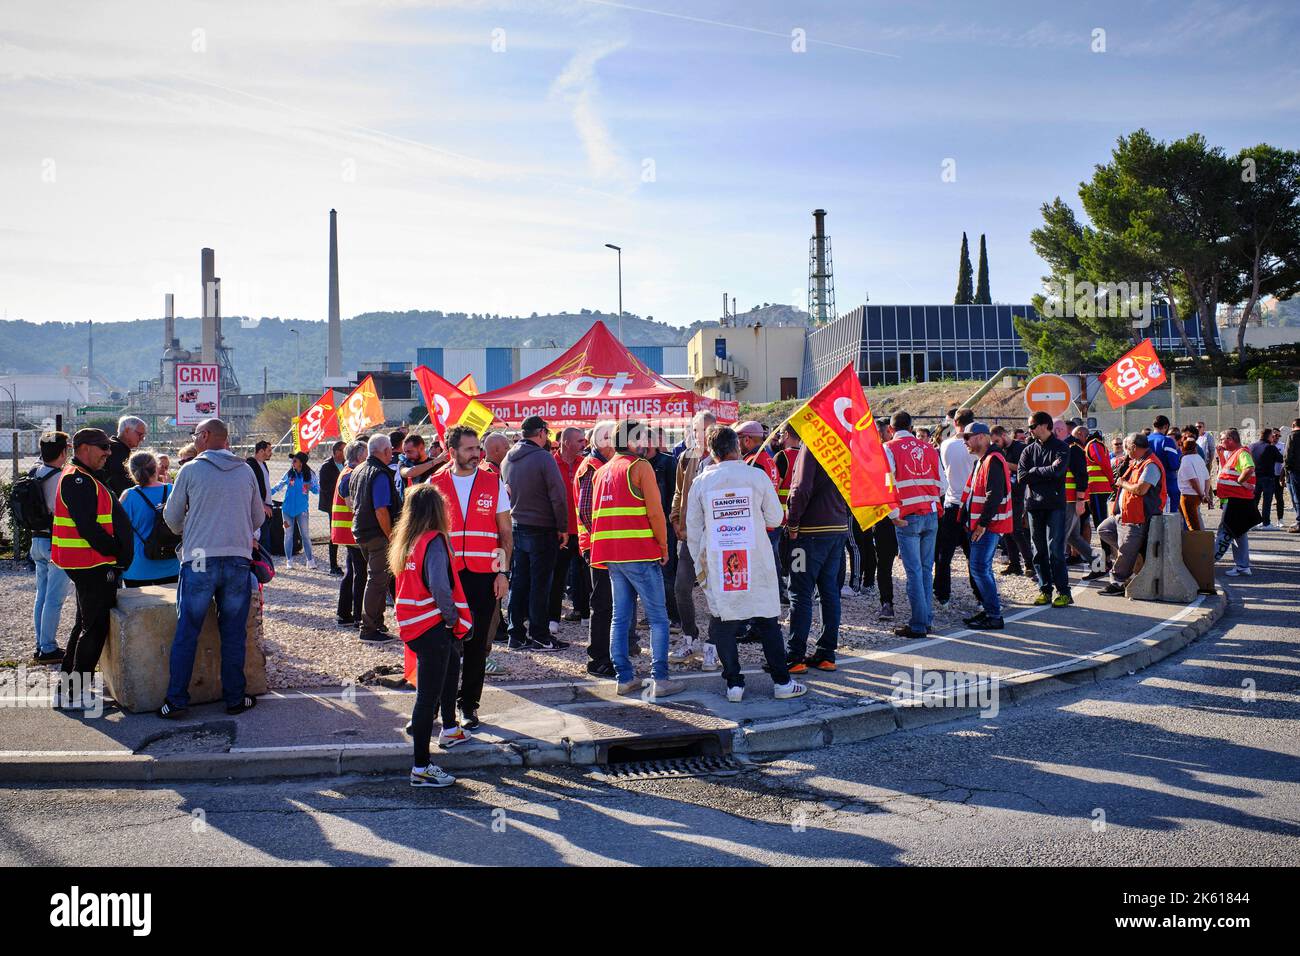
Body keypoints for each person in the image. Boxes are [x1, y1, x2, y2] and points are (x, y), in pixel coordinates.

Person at [686, 425, 806, 702]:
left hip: (721, 561)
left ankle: (734, 684)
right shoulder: (756, 477)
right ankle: (782, 683)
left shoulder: (701, 483)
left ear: (713, 453)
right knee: (767, 621)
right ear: (737, 448)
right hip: (756, 560)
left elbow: (692, 529)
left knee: (724, 621)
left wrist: (699, 564)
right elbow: (776, 519)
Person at [158, 418, 264, 718]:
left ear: (204, 437)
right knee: (233, 632)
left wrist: (192, 529)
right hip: (237, 557)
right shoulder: (245, 471)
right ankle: (234, 698)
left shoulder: (191, 470)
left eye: (195, 435)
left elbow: (172, 517)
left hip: (201, 555)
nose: (193, 439)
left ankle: (176, 700)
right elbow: (258, 518)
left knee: (187, 630)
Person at [588, 418, 681, 698]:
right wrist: (664, 547)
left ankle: (625, 677)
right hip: (640, 552)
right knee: (658, 618)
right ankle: (660, 678)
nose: (647, 444)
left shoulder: (601, 472)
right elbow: (656, 513)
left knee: (620, 617)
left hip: (612, 555)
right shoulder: (640, 467)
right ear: (631, 441)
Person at [389, 482, 473, 788]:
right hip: (432, 625)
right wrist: (452, 619)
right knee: (426, 698)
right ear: (437, 511)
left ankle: (450, 729)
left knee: (451, 666)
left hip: (413, 623)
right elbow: (440, 587)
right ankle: (421, 767)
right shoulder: (434, 541)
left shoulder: (406, 541)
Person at [433, 425, 513, 728]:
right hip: (448, 577)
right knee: (446, 642)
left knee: (477, 644)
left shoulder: (492, 482)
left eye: (478, 448)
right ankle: (444, 706)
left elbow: (505, 534)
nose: (476, 453)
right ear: (452, 452)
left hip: (484, 576)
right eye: (469, 449)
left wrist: (502, 572)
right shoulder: (435, 483)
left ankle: (469, 706)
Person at [51, 428, 133, 709]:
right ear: (83, 447)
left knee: (84, 624)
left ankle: (68, 688)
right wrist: (115, 549)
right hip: (92, 563)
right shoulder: (78, 480)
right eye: (103, 447)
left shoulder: (83, 477)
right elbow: (88, 526)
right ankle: (76, 692)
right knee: (94, 628)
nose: (108, 453)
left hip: (90, 562)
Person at [502, 415, 571, 652]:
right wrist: (563, 527)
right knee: (541, 584)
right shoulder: (544, 458)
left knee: (519, 582)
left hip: (517, 525)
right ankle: (540, 635)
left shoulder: (507, 458)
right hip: (542, 528)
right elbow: (558, 496)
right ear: (541, 432)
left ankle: (516, 634)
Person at [575, 420, 629, 676]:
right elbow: (587, 511)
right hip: (598, 547)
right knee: (604, 603)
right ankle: (598, 659)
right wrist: (605, 538)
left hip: (602, 545)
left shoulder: (598, 465)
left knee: (610, 602)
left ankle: (609, 653)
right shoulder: (592, 467)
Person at [667, 411, 720, 670]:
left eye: (698, 431)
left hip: (715, 540)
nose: (694, 435)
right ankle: (689, 637)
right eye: (693, 430)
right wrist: (676, 519)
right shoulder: (686, 458)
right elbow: (679, 492)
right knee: (681, 588)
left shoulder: (722, 460)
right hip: (689, 537)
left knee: (715, 593)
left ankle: (713, 645)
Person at [883, 411, 942, 639]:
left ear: (891, 429)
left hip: (907, 516)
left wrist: (892, 514)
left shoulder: (890, 448)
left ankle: (918, 624)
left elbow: (886, 483)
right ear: (911, 426)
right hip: (931, 513)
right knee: (926, 570)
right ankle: (926, 620)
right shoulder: (929, 448)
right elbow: (942, 485)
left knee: (915, 573)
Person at [1096, 433, 1167, 596]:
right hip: (1124, 514)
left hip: (1137, 517)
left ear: (1134, 447)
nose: (1126, 452)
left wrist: (1122, 483)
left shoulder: (1150, 465)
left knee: (1126, 551)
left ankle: (1118, 582)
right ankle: (1131, 557)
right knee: (1104, 530)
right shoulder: (1136, 462)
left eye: (1127, 448)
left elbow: (1141, 489)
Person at [957, 423, 1011, 629]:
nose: (965, 442)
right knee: (981, 569)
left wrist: (982, 524)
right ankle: (989, 612)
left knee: (980, 569)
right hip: (983, 525)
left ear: (981, 437)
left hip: (987, 526)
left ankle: (994, 615)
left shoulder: (992, 460)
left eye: (967, 437)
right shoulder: (984, 460)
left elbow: (994, 495)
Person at [351, 433, 402, 642]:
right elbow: (381, 509)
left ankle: (376, 624)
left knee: (377, 579)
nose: (392, 454)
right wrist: (391, 536)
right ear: (385, 451)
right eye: (390, 450)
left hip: (361, 532)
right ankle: (369, 628)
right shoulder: (380, 473)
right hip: (377, 534)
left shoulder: (360, 469)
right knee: (377, 580)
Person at [1019, 411, 1072, 607]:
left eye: (1032, 426)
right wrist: (1042, 472)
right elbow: (1022, 476)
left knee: (1055, 550)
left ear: (1044, 425)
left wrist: (1035, 471)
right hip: (1034, 505)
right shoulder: (1028, 450)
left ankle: (1063, 592)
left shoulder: (1062, 448)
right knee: (1038, 551)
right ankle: (1044, 590)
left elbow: (1058, 471)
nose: (1030, 430)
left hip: (1055, 506)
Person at [29, 431, 71, 664]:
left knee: (41, 596)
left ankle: (40, 644)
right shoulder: (61, 478)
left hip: (36, 540)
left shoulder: (34, 471)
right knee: (54, 599)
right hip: (55, 542)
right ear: (64, 452)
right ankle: (48, 648)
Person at [934, 408, 976, 607]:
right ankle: (979, 595)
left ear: (955, 423)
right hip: (971, 503)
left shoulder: (946, 445)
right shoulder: (977, 446)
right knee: (973, 553)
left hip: (951, 502)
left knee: (945, 553)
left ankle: (942, 593)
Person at [549, 426, 590, 632]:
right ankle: (553, 618)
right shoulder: (550, 463)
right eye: (580, 441)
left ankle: (585, 613)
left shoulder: (585, 464)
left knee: (585, 574)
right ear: (566, 443)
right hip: (560, 530)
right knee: (557, 575)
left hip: (582, 529)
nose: (585, 444)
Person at [119, 451, 181, 587]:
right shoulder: (172, 490)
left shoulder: (129, 496)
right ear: (157, 468)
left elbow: (119, 531)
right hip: (172, 565)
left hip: (138, 569)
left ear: (132, 471)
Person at [645, 428, 682, 631]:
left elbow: (675, 495)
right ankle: (654, 614)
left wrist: (672, 522)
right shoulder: (639, 464)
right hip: (643, 528)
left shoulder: (668, 462)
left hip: (664, 526)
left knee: (667, 572)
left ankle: (675, 616)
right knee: (648, 573)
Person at [1214, 428, 1260, 576]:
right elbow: (1227, 471)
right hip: (1234, 500)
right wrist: (1221, 455)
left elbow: (1249, 468)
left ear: (1230, 440)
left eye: (1222, 439)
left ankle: (1208, 561)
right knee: (1239, 533)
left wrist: (1242, 481)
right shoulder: (1234, 454)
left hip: (1237, 501)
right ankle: (1243, 566)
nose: (1220, 442)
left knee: (1226, 531)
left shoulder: (1242, 453)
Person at [332, 440, 368, 627]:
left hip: (348, 532)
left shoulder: (345, 472)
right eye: (366, 453)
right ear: (359, 456)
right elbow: (351, 503)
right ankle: (357, 617)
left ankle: (344, 613)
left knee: (351, 573)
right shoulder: (350, 475)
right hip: (352, 532)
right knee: (360, 574)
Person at [993, 425, 1034, 578]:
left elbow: (1023, 468)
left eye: (997, 441)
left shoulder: (1020, 448)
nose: (996, 444)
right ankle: (1014, 564)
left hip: (1018, 493)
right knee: (1007, 530)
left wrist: (1003, 462)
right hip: (1005, 493)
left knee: (1017, 530)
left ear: (1003, 435)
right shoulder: (1000, 450)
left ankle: (1030, 564)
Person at [1063, 423, 1102, 581]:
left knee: (1061, 536)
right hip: (1070, 499)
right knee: (1073, 537)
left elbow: (1081, 477)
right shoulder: (1070, 447)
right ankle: (1099, 565)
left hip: (1071, 499)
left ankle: (1054, 573)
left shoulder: (1073, 448)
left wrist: (1080, 500)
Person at [272, 452, 320, 570]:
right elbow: (279, 485)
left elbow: (318, 489)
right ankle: (289, 560)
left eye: (295, 461)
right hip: (287, 510)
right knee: (288, 535)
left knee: (305, 535)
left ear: (301, 463)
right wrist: (267, 493)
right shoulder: (289, 474)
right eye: (292, 461)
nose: (292, 463)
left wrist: (311, 487)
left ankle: (310, 560)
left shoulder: (310, 474)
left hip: (302, 511)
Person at [318, 441, 346, 575]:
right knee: (334, 534)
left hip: (347, 504)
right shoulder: (326, 466)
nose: (345, 452)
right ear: (335, 452)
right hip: (333, 506)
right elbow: (324, 487)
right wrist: (342, 491)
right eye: (342, 450)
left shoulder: (346, 463)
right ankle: (333, 565)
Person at [105, 415, 147, 497]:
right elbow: (121, 483)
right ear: (127, 431)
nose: (142, 438)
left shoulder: (116, 448)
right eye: (140, 434)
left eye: (143, 436)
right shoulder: (116, 450)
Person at [1147, 415, 1181, 513]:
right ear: (1166, 426)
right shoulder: (1167, 441)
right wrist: (1178, 452)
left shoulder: (1145, 440)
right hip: (1167, 482)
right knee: (1170, 516)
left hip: (1149, 483)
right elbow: (1174, 464)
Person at [1176, 435, 1210, 531]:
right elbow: (1207, 479)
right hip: (1196, 495)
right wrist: (1205, 494)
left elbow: (1193, 480)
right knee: (1194, 523)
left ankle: (1198, 544)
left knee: (1193, 526)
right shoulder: (1199, 458)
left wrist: (1202, 495)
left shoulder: (1186, 460)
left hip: (1189, 496)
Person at [1083, 428, 1115, 527]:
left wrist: (1112, 482)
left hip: (1097, 489)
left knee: (1100, 521)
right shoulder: (1092, 445)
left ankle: (1105, 542)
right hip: (1093, 489)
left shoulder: (1094, 445)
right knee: (1093, 520)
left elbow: (1103, 464)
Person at [1253, 429, 1283, 528]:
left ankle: (1253, 522)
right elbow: (1280, 459)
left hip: (1254, 477)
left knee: (1254, 501)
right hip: (1268, 477)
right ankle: (1266, 523)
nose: (1273, 438)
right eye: (1272, 436)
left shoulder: (1252, 446)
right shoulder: (1271, 447)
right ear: (1269, 436)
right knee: (1267, 501)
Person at [245, 439, 274, 537]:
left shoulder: (264, 464)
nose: (271, 453)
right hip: (260, 507)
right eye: (269, 450)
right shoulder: (251, 465)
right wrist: (263, 505)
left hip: (267, 506)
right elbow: (253, 489)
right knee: (262, 539)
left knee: (266, 536)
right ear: (261, 451)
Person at [1286, 419, 1300, 534]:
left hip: (1295, 471)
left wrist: (1286, 469)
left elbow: (1287, 454)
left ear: (1293, 425)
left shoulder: (1293, 436)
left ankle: (1299, 521)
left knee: (1297, 496)